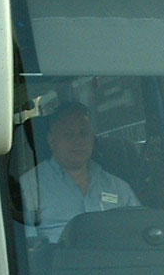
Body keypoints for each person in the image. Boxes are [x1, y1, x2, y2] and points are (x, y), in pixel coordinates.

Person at [19, 102, 139, 242]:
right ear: (52, 141)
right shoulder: (28, 187)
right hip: (57, 262)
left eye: (84, 133)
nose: (78, 141)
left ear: (93, 139)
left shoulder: (118, 187)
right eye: (69, 134)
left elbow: (138, 233)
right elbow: (28, 248)